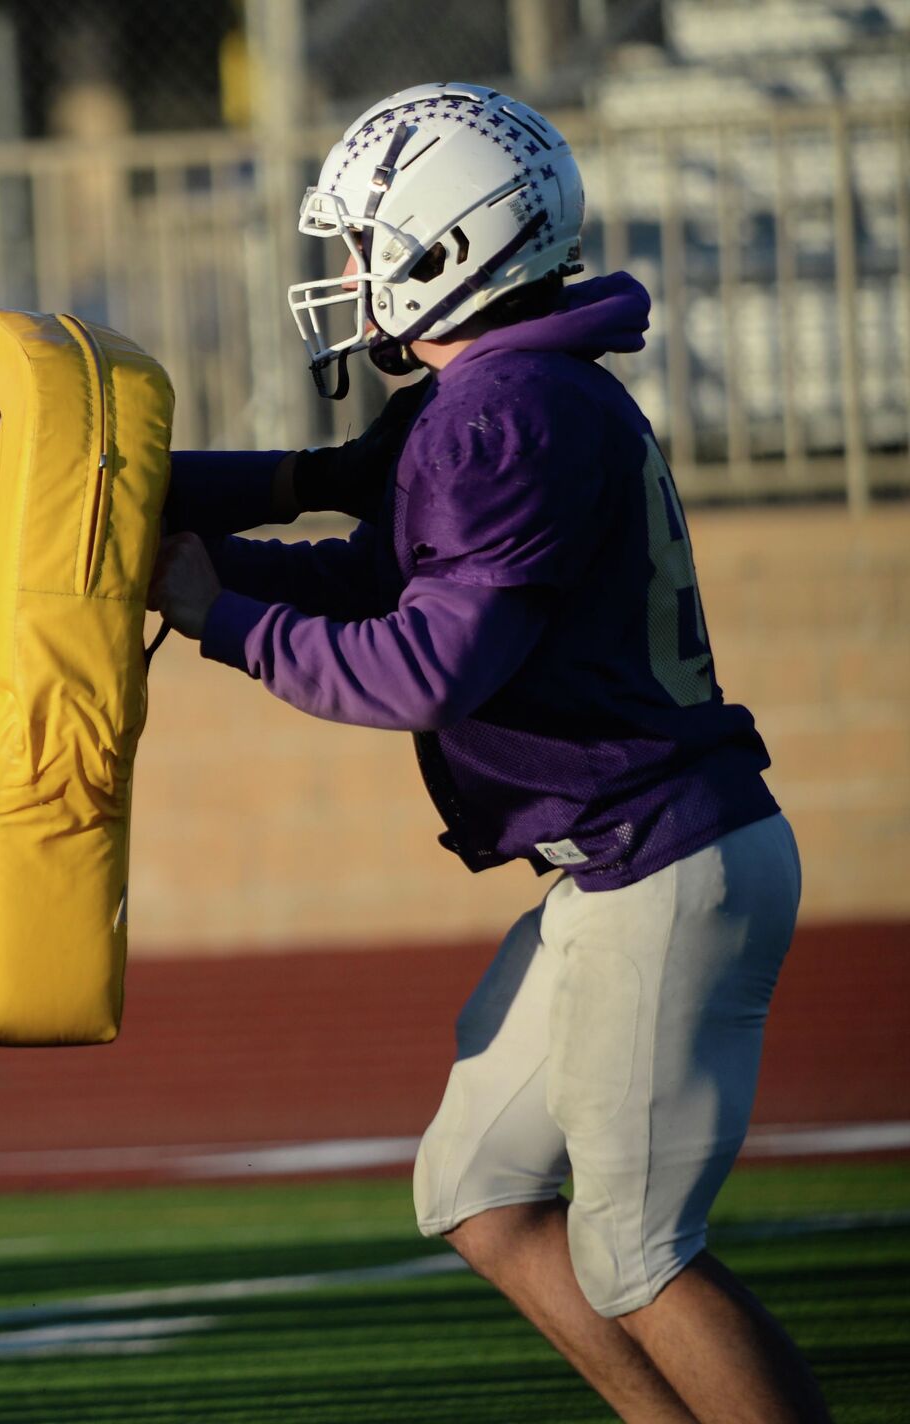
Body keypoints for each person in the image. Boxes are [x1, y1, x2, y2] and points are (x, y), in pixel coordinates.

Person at [149, 84, 832, 1423]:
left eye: (358, 245)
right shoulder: (503, 389)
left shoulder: (503, 411)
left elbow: (421, 667)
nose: (340, 277)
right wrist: (144, 522)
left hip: (661, 858)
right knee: (479, 1193)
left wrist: (216, 617)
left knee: (638, 1252)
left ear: (446, 247)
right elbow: (356, 532)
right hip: (622, 861)